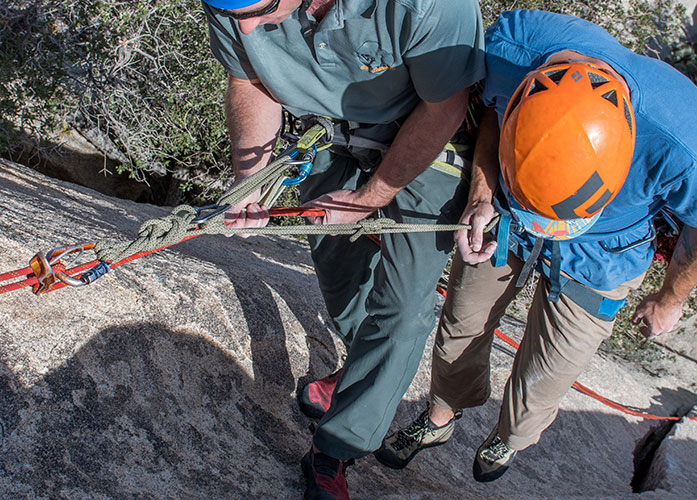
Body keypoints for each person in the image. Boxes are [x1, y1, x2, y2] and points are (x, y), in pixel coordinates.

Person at [374, 9, 697, 483]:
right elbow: (493, 109)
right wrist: (483, 195)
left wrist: (671, 299)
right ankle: (441, 417)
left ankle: (512, 436)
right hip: (510, 206)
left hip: (607, 251)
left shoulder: (689, 146)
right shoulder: (510, 51)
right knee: (461, 323)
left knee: (550, 368)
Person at [199, 0, 484, 498]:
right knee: (338, 272)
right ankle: (359, 369)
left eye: (261, 7)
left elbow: (445, 106)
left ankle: (336, 449)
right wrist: (249, 180)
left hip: (425, 134)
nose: (246, 25)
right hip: (328, 134)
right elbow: (251, 80)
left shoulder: (428, 5)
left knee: (404, 308)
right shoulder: (234, 4)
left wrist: (369, 198)